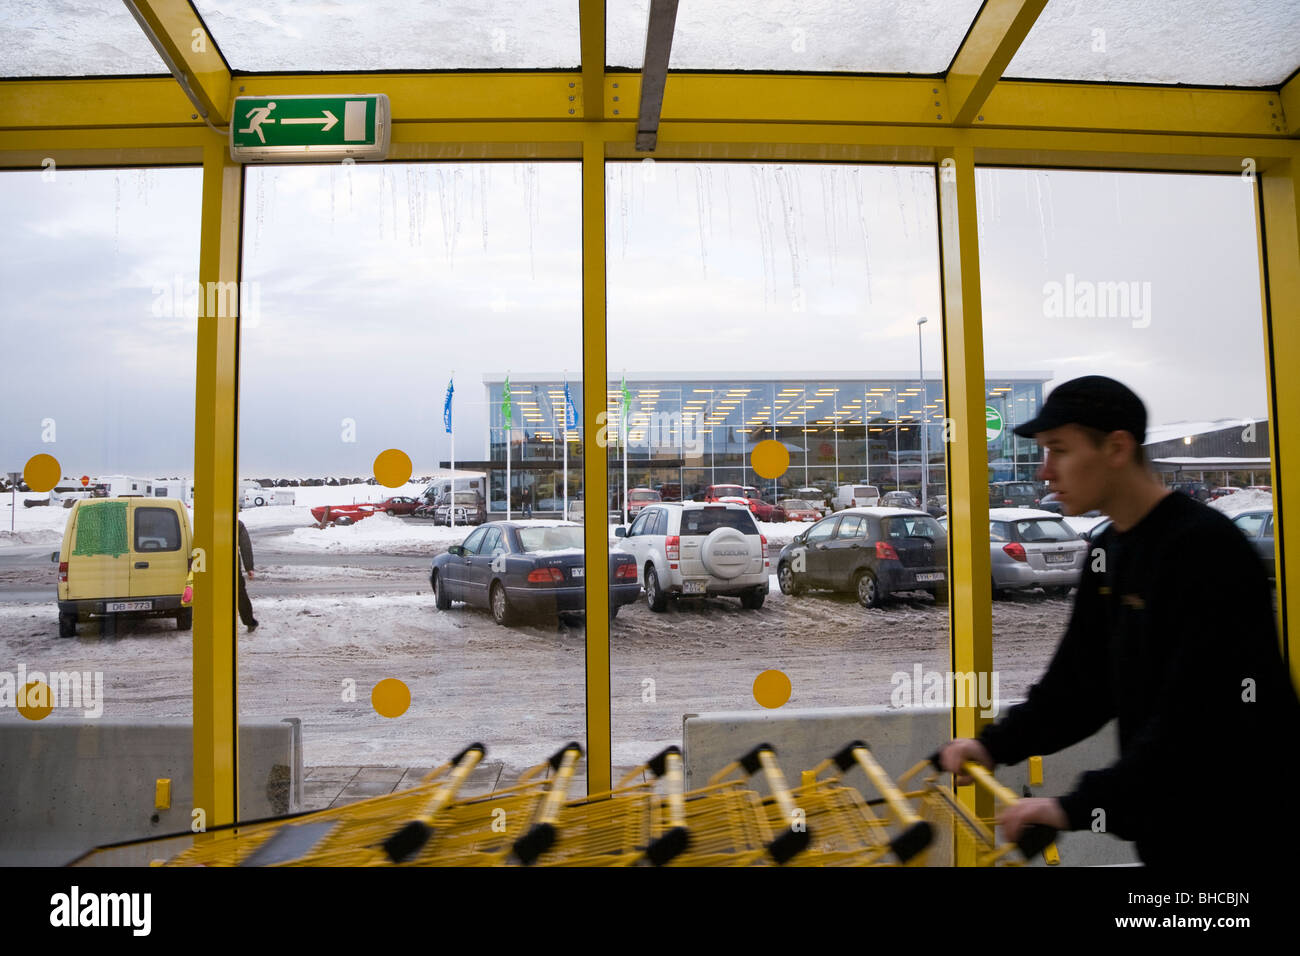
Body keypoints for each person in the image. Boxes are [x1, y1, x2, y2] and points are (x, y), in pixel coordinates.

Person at [938, 375, 1300, 867]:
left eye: (1059, 450)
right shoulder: (1109, 551)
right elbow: (1080, 686)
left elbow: (1200, 722)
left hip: (1249, 836)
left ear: (1117, 448)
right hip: (1168, 839)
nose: (1045, 471)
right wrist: (992, 744)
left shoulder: (1205, 550)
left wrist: (1075, 807)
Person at [237, 519, 258, 632]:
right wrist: (249, 567)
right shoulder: (237, 524)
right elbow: (246, 546)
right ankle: (249, 622)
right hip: (232, 565)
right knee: (240, 595)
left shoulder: (208, 520)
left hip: (212, 564)